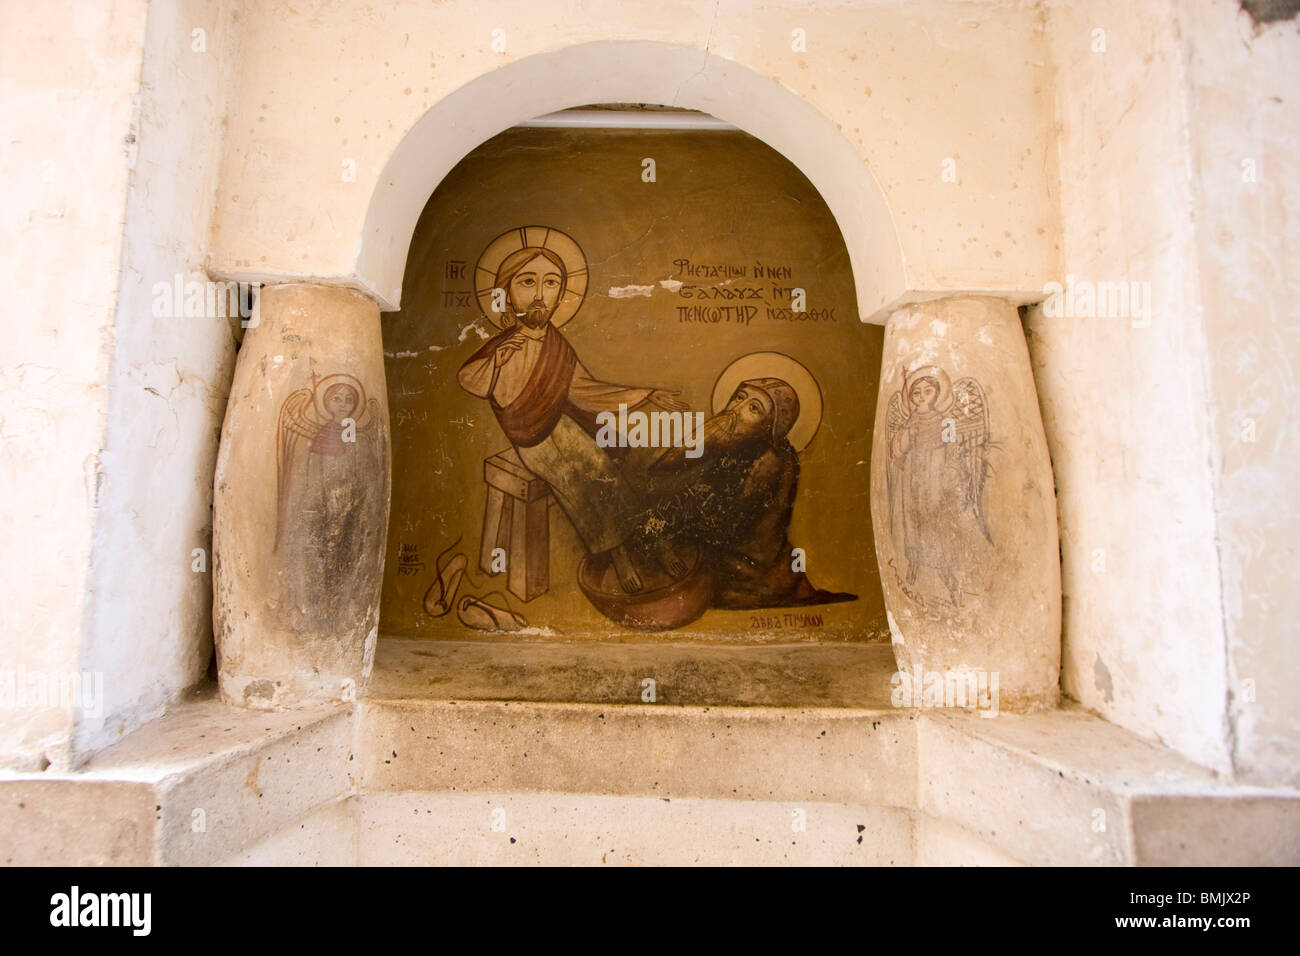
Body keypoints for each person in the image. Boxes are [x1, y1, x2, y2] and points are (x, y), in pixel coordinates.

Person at [457, 244, 685, 593]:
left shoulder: (557, 346)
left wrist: (644, 395)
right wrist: (497, 361)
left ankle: (652, 538)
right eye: (527, 282)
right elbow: (470, 380)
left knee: (602, 468)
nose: (539, 295)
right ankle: (619, 554)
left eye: (550, 284)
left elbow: (585, 392)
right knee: (573, 483)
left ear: (561, 293)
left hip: (558, 425)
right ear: (506, 294)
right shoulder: (504, 346)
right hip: (530, 440)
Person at [637, 377, 856, 609]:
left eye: (754, 408)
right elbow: (666, 469)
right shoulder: (737, 444)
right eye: (739, 398)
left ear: (770, 426)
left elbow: (724, 523)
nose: (736, 410)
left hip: (747, 578)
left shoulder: (772, 460)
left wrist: (663, 524)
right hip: (723, 561)